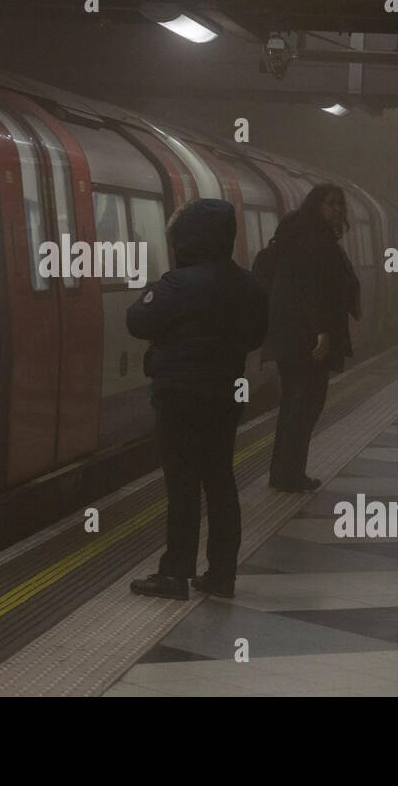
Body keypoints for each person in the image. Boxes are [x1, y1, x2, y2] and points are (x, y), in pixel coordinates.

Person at [125, 198, 267, 600]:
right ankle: (222, 575)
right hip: (225, 393)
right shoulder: (249, 285)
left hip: (179, 396)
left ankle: (175, 573)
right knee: (221, 481)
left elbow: (137, 321)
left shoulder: (177, 284)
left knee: (182, 484)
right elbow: (256, 336)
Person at [263, 184, 361, 492]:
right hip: (306, 337)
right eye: (330, 203)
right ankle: (290, 475)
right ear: (316, 205)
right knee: (305, 404)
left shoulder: (297, 233)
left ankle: (283, 472)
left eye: (340, 204)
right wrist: (321, 331)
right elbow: (309, 288)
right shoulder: (313, 239)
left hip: (289, 336)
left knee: (294, 404)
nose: (337, 210)